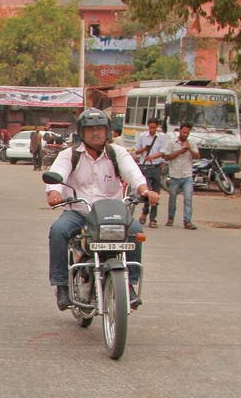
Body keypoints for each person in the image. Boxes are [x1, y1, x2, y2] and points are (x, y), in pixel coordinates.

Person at [45, 107, 158, 310]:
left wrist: (145, 190)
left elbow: (133, 174)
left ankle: (130, 285)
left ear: (107, 131)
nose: (95, 133)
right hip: (79, 212)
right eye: (90, 129)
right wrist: (54, 192)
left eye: (100, 128)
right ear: (82, 132)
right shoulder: (69, 155)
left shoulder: (117, 153)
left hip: (111, 213)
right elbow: (57, 174)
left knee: (135, 232)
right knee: (58, 231)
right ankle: (61, 285)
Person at [163, 122, 200, 230]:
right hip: (174, 175)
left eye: (187, 133)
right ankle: (170, 218)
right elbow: (167, 157)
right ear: (179, 131)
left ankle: (187, 221)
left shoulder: (191, 143)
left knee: (188, 198)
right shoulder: (171, 142)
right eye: (184, 132)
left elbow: (197, 156)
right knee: (172, 198)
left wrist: (189, 149)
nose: (185, 134)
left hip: (187, 175)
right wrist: (180, 151)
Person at [134, 117, 168, 228]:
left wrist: (152, 156)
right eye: (150, 127)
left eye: (154, 128)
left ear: (157, 127)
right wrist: (144, 149)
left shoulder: (161, 137)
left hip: (156, 167)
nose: (152, 130)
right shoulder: (142, 136)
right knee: (148, 192)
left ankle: (153, 219)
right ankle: (145, 211)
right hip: (146, 168)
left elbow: (162, 152)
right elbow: (137, 151)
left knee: (156, 194)